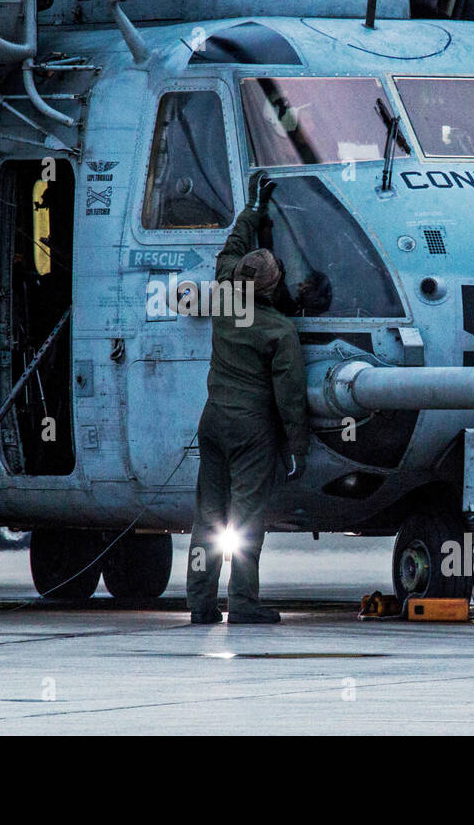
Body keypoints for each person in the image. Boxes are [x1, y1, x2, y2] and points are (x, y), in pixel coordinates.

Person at [187, 176, 308, 625]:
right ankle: (243, 603)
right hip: (252, 430)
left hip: (213, 421)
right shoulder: (280, 332)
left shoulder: (224, 293)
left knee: (207, 519)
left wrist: (250, 212)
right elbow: (290, 398)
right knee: (246, 519)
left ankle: (200, 603)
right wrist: (296, 446)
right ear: (274, 287)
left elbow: (229, 251)